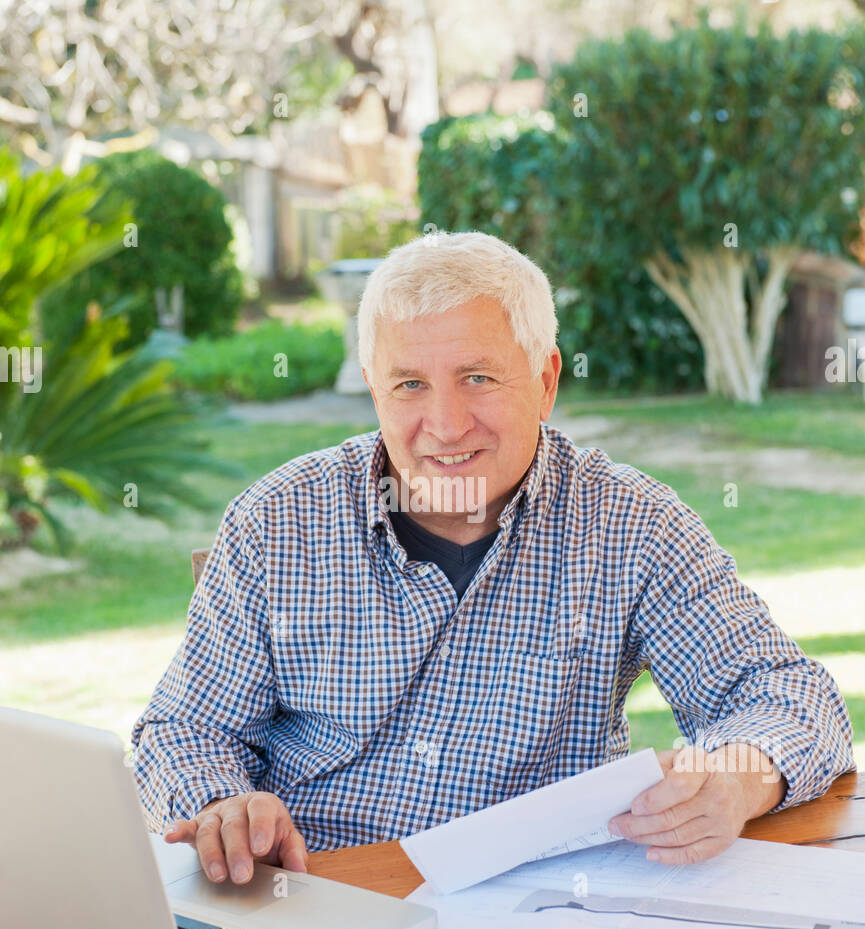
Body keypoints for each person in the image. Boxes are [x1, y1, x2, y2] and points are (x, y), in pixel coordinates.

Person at [132, 231, 856, 885]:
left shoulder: (632, 525)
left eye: (477, 378)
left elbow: (785, 694)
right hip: (315, 891)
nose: (444, 425)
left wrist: (737, 776)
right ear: (371, 384)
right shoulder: (278, 519)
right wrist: (223, 804)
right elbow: (185, 729)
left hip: (536, 908)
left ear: (544, 381)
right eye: (409, 383)